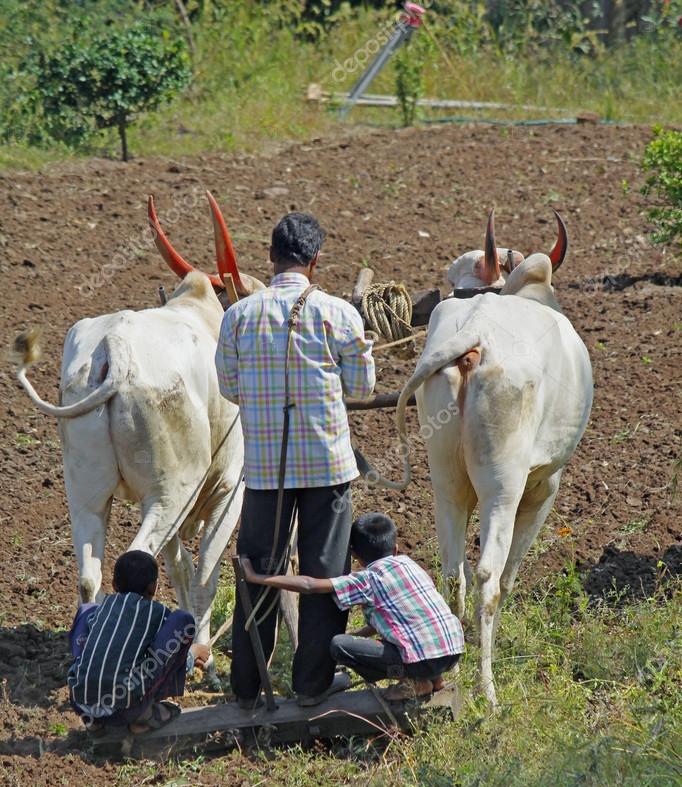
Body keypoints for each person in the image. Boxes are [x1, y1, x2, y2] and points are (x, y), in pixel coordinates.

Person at [216, 211, 375, 709]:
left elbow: (229, 388)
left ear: (270, 256)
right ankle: (311, 685)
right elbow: (363, 388)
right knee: (325, 570)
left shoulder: (238, 316)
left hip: (264, 472)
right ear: (316, 260)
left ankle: (246, 687)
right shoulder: (338, 314)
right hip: (328, 467)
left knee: (256, 567)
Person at [242, 513, 464, 702]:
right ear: (395, 548)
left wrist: (257, 577)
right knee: (402, 641)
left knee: (340, 645)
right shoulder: (410, 565)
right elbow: (403, 620)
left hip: (421, 661)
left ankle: (413, 682)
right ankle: (435, 679)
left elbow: (309, 585)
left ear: (355, 555)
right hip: (453, 652)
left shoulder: (367, 579)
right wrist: (359, 635)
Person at [68, 550, 210, 734]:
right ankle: (145, 716)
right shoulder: (157, 613)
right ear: (154, 587)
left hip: (80, 702)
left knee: (86, 609)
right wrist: (192, 653)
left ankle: (96, 723)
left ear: (113, 584)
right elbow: (165, 655)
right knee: (183, 620)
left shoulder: (104, 607)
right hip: (126, 710)